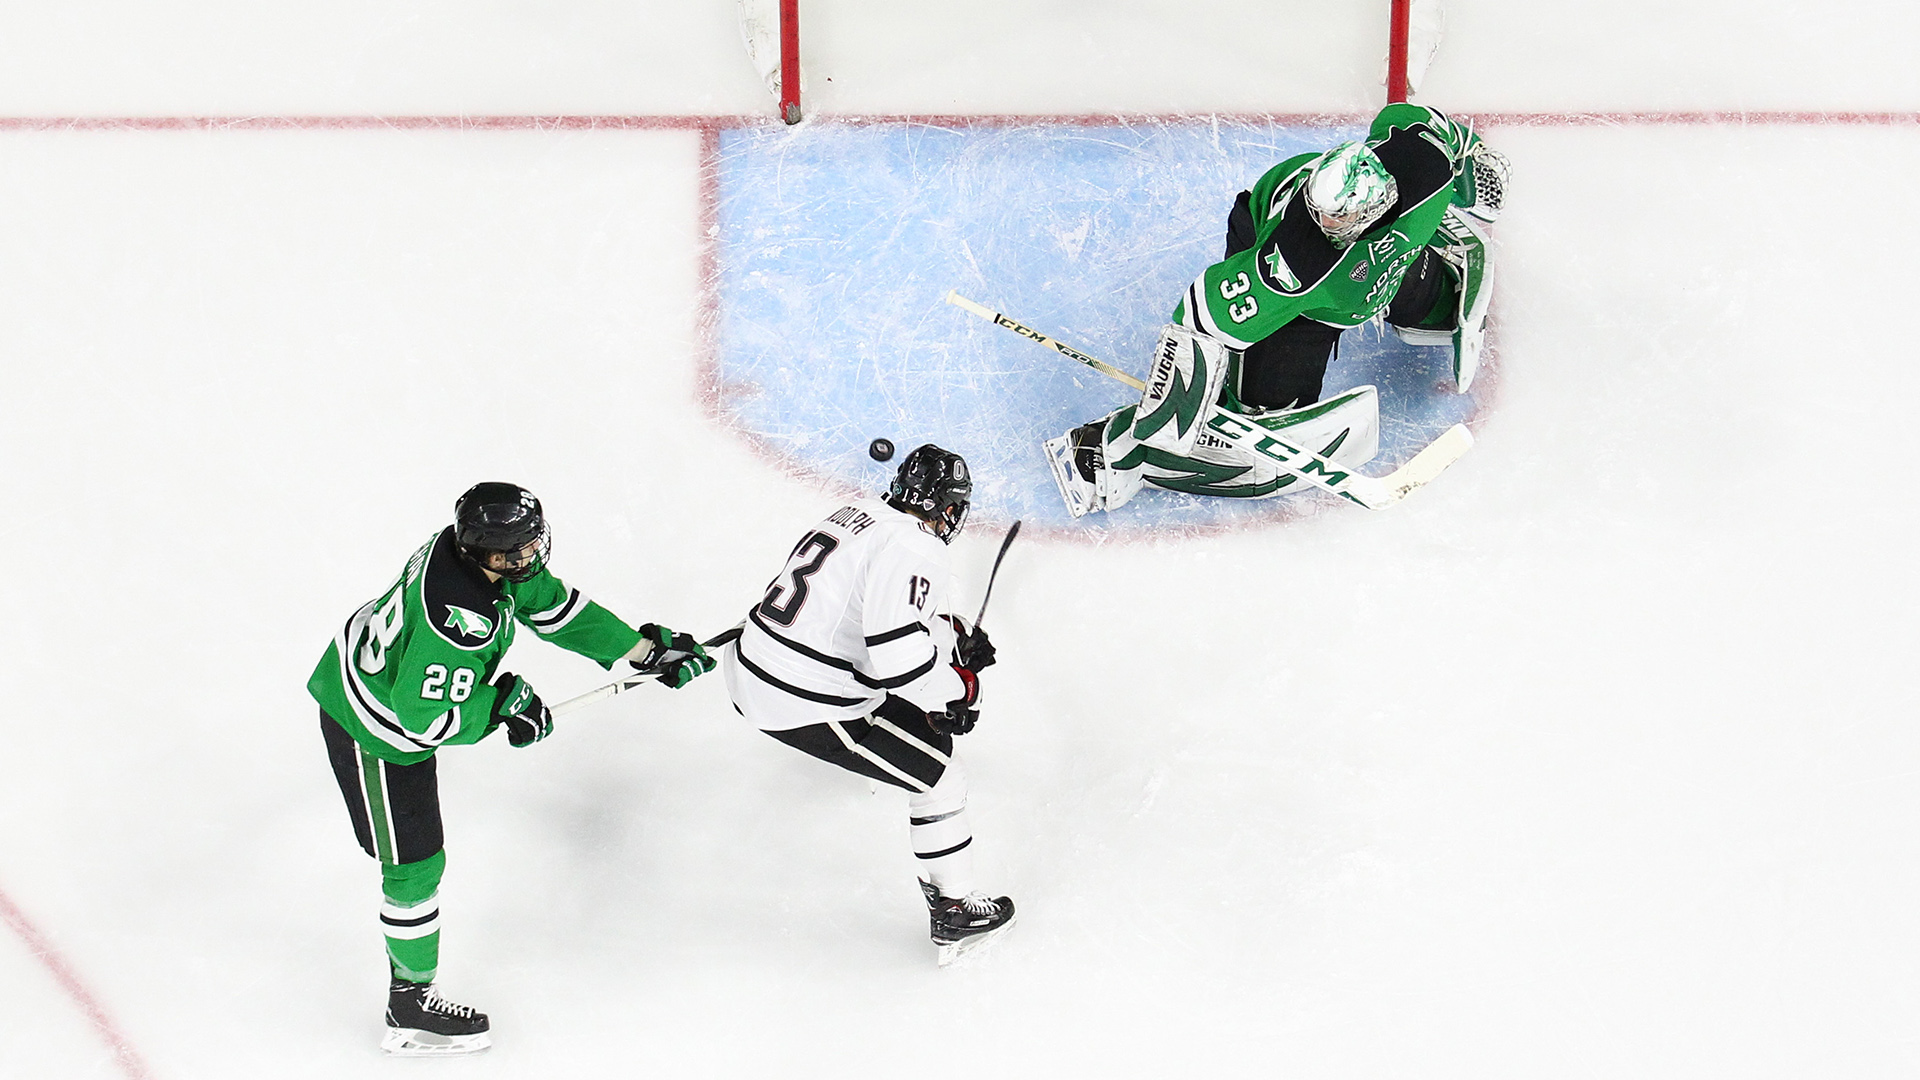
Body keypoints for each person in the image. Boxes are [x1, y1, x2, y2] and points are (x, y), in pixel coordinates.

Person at [306, 482, 714, 1055]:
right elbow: (421, 718)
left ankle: (410, 997)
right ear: (483, 554)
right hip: (371, 728)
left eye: (529, 544)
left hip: (377, 684)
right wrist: (497, 707)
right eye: (514, 552)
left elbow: (550, 605)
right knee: (414, 867)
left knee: (420, 859)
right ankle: (411, 1006)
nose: (529, 557)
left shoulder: (467, 556)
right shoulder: (457, 620)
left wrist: (641, 651)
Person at [1046, 102, 1510, 517]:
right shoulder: (1293, 262)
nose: (1323, 225)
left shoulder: (1422, 163)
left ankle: (1431, 295)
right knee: (1266, 405)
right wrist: (1172, 411)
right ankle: (1119, 451)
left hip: (1386, 261)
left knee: (1416, 289)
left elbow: (1429, 127)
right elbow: (1203, 317)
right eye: (1321, 213)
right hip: (1303, 303)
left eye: (1338, 221)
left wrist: (1477, 172)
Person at [719, 444, 1015, 965]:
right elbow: (898, 664)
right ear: (948, 507)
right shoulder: (920, 549)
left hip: (753, 664)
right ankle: (953, 911)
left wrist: (951, 641)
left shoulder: (856, 515)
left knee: (925, 733)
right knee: (941, 776)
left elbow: (856, 613)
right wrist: (962, 687)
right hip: (801, 699)